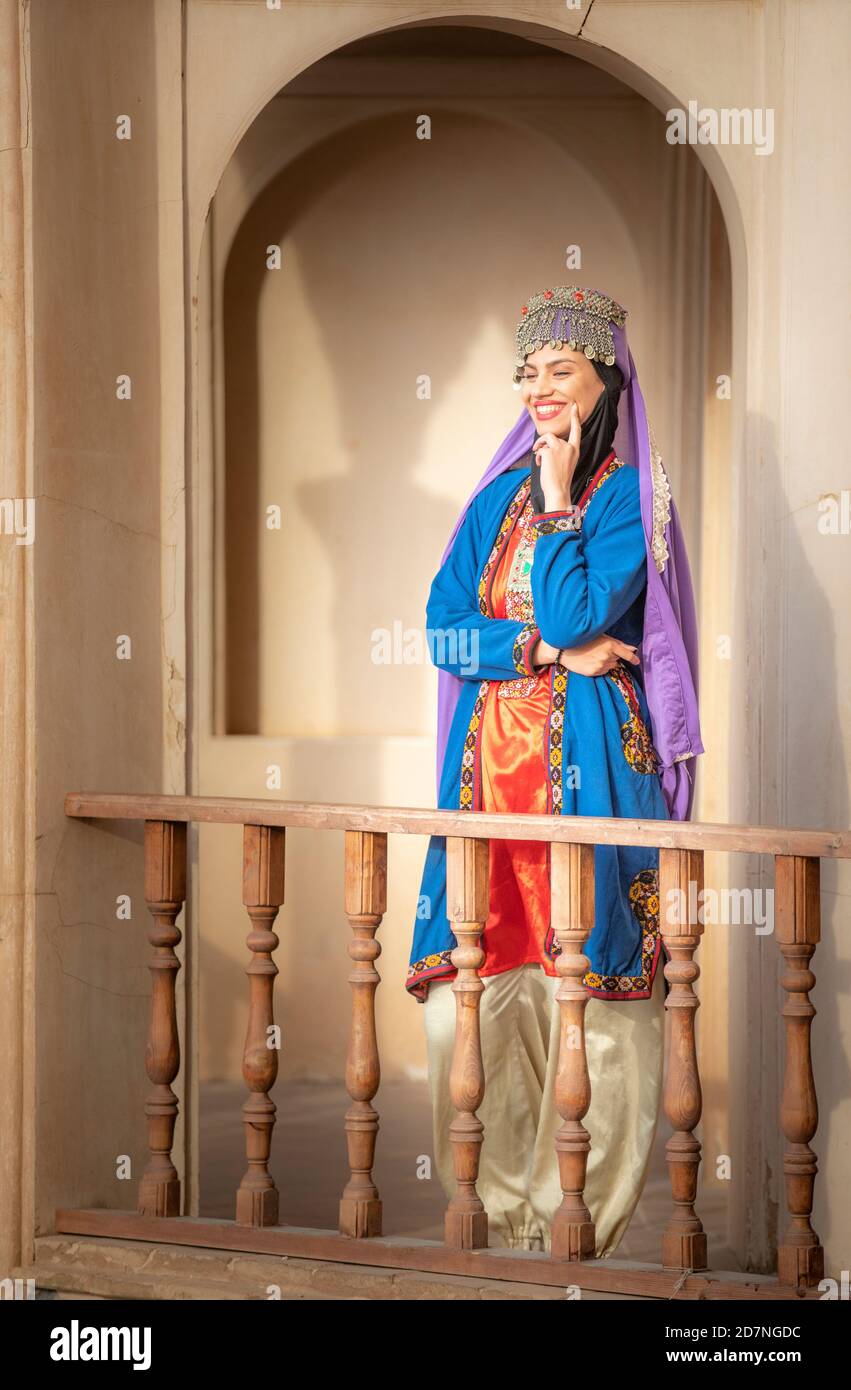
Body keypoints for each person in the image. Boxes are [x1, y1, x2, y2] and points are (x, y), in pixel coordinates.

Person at [406, 285, 704, 1256]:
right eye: (527, 374)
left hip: (591, 783)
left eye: (559, 371)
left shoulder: (625, 495)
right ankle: (503, 1222)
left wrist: (563, 501)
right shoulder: (493, 500)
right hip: (488, 790)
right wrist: (538, 651)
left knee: (602, 1011)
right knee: (476, 1006)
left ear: (602, 380)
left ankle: (568, 1236)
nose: (539, 390)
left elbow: (584, 612)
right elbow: (443, 626)